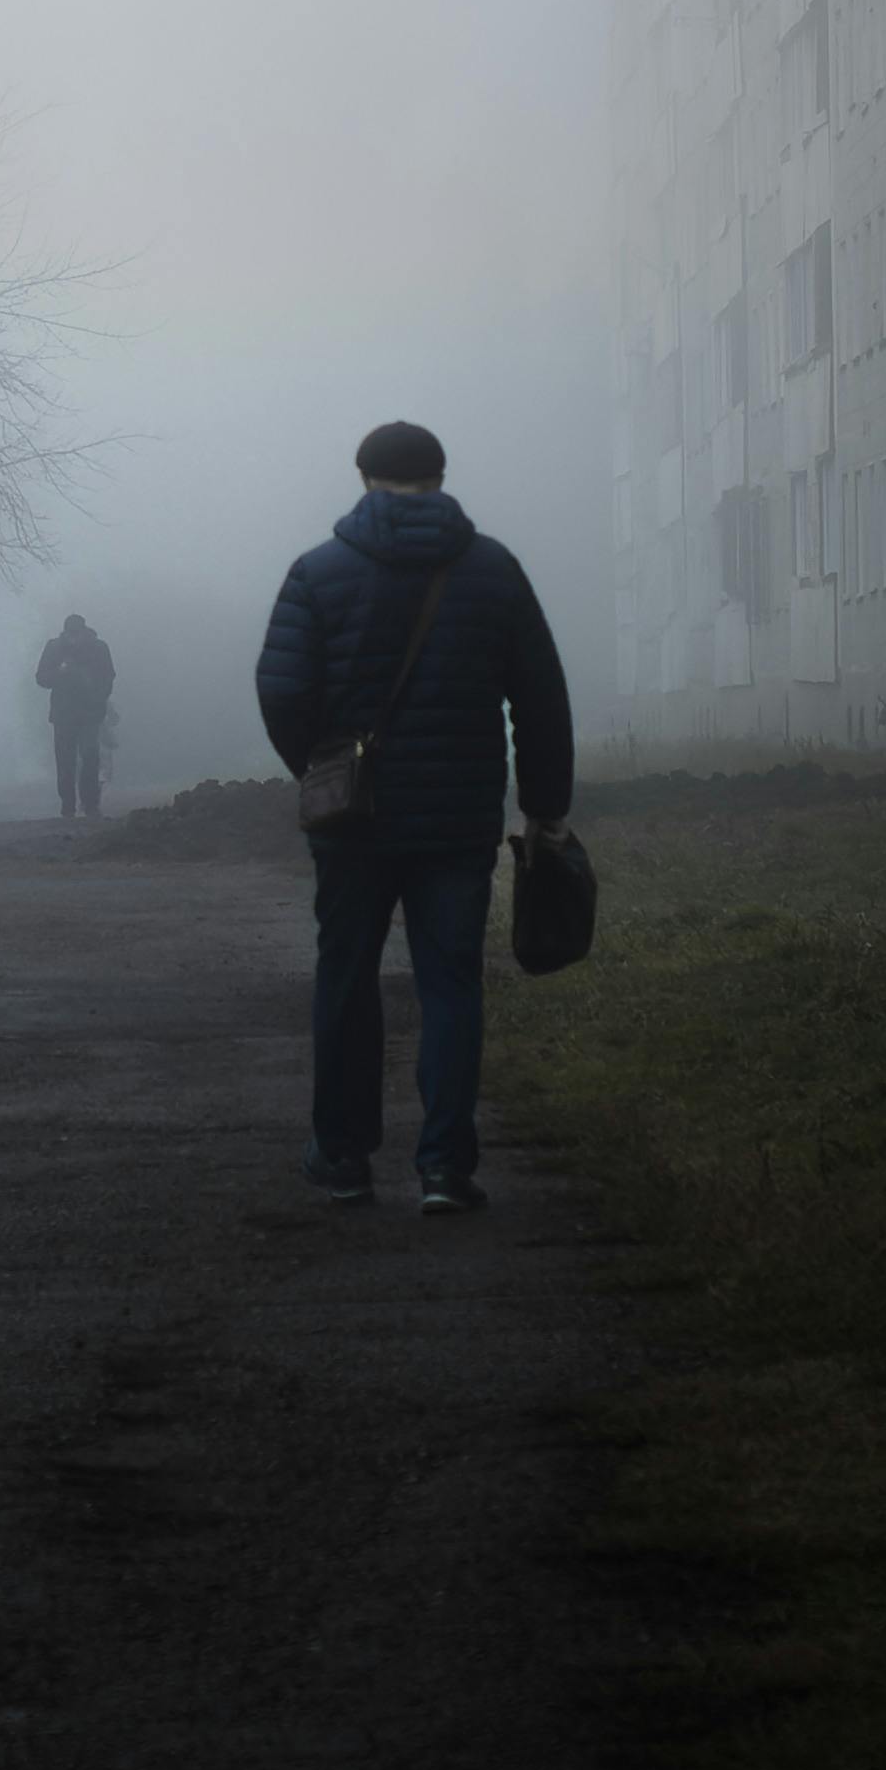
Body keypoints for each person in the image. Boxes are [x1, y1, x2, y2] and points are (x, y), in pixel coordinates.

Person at [254, 419, 573, 1214]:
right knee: (452, 984)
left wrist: (322, 769)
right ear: (439, 478)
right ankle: (444, 1168)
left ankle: (342, 1157)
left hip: (352, 823)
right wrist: (544, 808)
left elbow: (284, 690)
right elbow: (539, 697)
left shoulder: (318, 573)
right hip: (458, 818)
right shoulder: (493, 571)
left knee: (346, 978)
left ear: (363, 478)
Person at [35, 612, 116, 821]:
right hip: (63, 714)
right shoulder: (54, 648)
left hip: (89, 713)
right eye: (70, 634)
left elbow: (108, 676)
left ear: (83, 632)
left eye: (76, 634)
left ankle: (90, 805)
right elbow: (41, 678)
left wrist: (98, 699)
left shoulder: (98, 648)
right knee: (65, 762)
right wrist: (59, 673)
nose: (73, 639)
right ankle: (68, 807)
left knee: (90, 757)